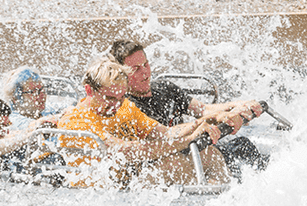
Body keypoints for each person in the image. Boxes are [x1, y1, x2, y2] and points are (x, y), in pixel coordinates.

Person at [55, 57, 227, 188]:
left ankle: (219, 203)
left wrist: (203, 122)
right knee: (174, 163)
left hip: (130, 178)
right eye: (109, 98)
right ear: (89, 91)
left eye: (121, 97)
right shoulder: (76, 120)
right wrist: (187, 140)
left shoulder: (125, 107)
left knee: (209, 153)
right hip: (102, 189)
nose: (116, 105)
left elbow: (165, 133)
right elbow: (127, 151)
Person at [108, 39, 268, 173]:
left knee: (243, 145)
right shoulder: (127, 108)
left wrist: (239, 105)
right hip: (178, 160)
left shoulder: (164, 88)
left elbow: (203, 109)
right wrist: (213, 119)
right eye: (136, 69)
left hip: (199, 149)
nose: (145, 73)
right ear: (121, 74)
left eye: (146, 64)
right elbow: (166, 135)